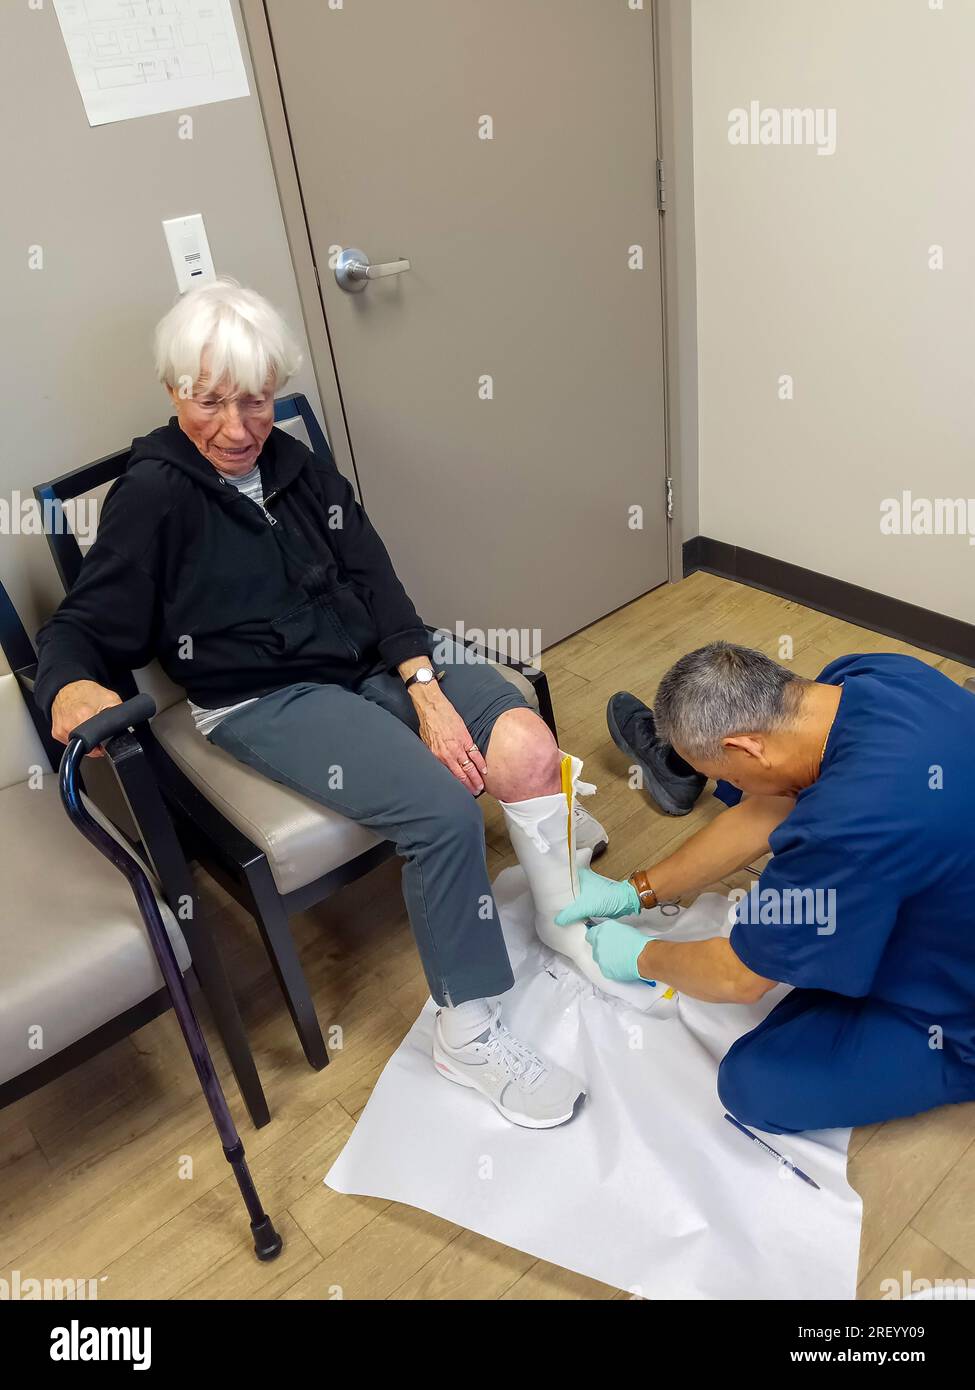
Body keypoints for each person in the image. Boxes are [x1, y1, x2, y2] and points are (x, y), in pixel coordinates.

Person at [33, 277, 609, 1130]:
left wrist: (422, 684)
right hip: (268, 695)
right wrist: (68, 682)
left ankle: (565, 921)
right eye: (210, 402)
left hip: (375, 659)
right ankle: (466, 1031)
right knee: (444, 811)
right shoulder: (151, 497)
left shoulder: (296, 468)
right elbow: (84, 626)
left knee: (521, 736)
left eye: (257, 401)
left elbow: (374, 576)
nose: (236, 429)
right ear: (172, 393)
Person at [556, 641, 975, 1133]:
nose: (726, 786)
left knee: (755, 1085)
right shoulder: (872, 676)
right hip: (944, 872)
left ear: (746, 746)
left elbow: (741, 978)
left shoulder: (844, 831)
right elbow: (768, 808)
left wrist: (641, 956)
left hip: (958, 1003)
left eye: (720, 773)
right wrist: (637, 891)